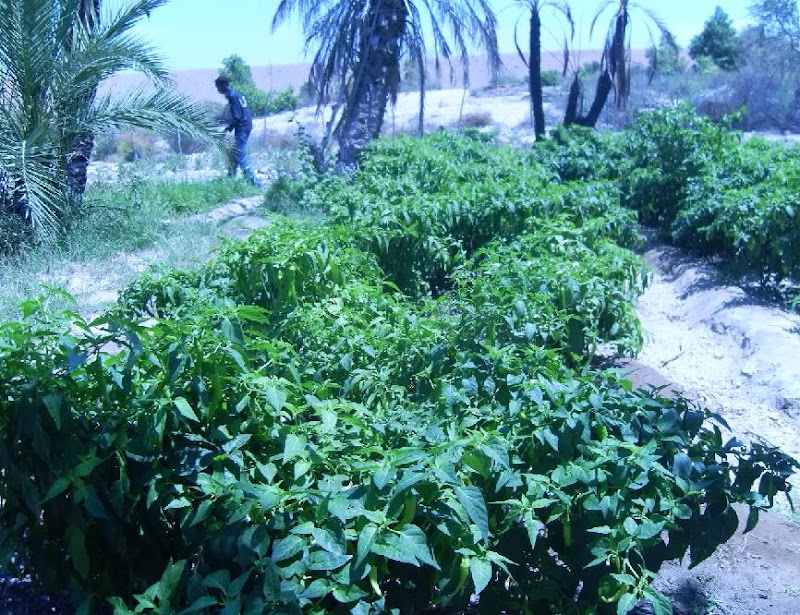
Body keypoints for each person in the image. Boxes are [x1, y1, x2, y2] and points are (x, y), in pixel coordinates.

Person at [214, 75, 261, 187]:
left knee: (240, 155)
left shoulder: (232, 96)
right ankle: (230, 178)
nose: (217, 90)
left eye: (218, 87)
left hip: (242, 127)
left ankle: (256, 184)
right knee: (235, 153)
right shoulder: (236, 93)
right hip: (246, 125)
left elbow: (237, 116)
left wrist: (227, 128)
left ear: (223, 85)